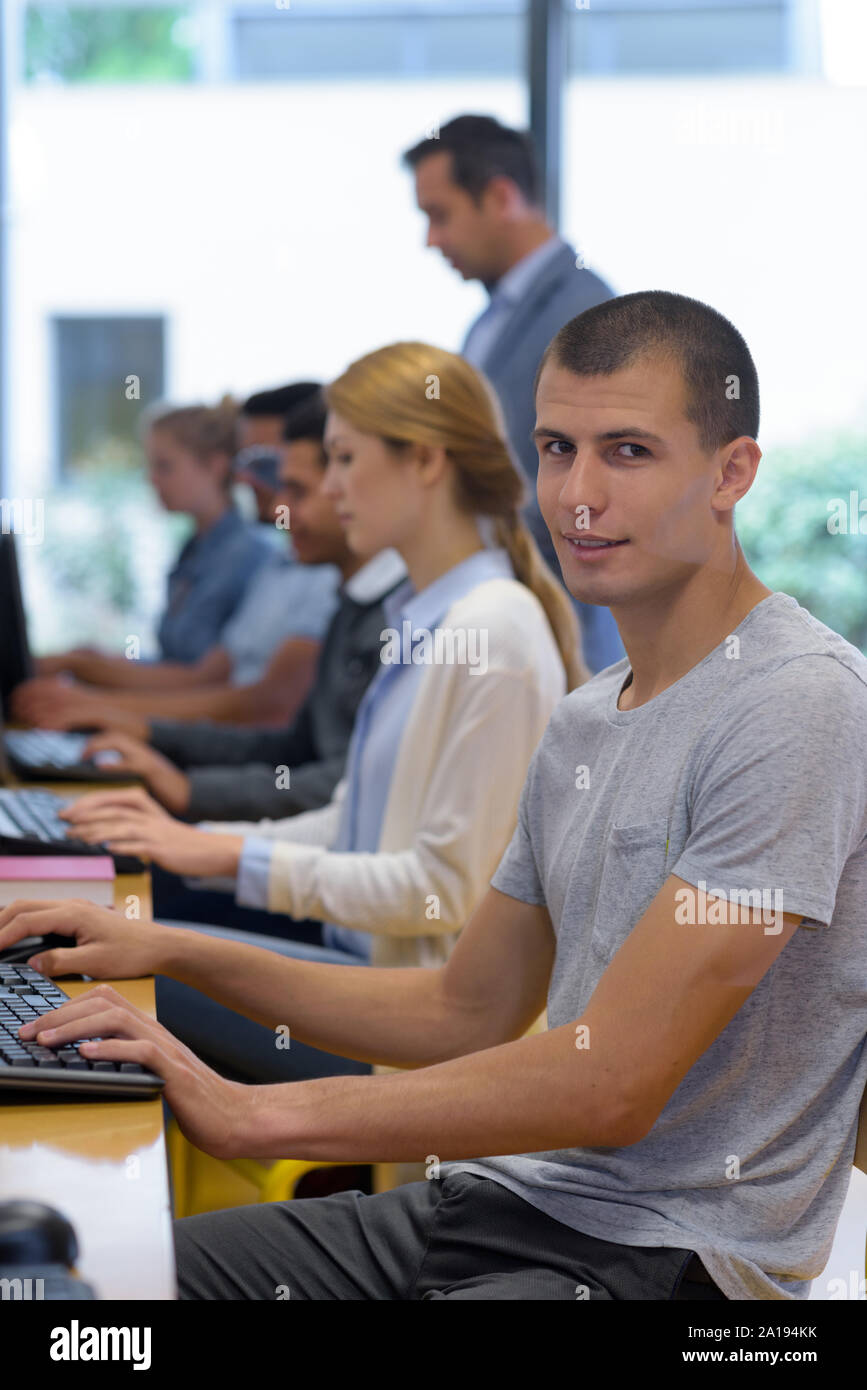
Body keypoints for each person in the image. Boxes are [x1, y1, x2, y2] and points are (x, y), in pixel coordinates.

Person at [4, 292, 865, 1301]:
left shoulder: (798, 703)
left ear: (733, 472)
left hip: (668, 1266)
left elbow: (612, 1082)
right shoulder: (588, 720)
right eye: (557, 448)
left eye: (627, 451)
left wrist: (255, 1111)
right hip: (498, 1206)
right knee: (94, 1296)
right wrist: (171, 946)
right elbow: (467, 1008)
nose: (578, 495)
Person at [43, 340, 579, 1087]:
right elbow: (356, 818)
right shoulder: (429, 613)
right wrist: (206, 844)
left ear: (424, 460)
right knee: (104, 951)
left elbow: (439, 888)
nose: (325, 489)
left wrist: (225, 856)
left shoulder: (491, 631)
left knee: (105, 975)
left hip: (407, 1030)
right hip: (360, 971)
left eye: (343, 461)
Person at [403, 113, 624, 675]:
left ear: (501, 197)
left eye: (439, 215)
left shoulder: (584, 313)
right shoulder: (492, 319)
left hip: (554, 638)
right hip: (501, 621)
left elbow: (593, 496)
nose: (431, 241)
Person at [13, 387, 340, 725]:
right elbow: (209, 675)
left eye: (164, 466)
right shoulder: (274, 564)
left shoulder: (259, 558)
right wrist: (89, 675)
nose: (245, 478)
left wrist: (97, 695)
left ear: (214, 466)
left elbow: (254, 700)